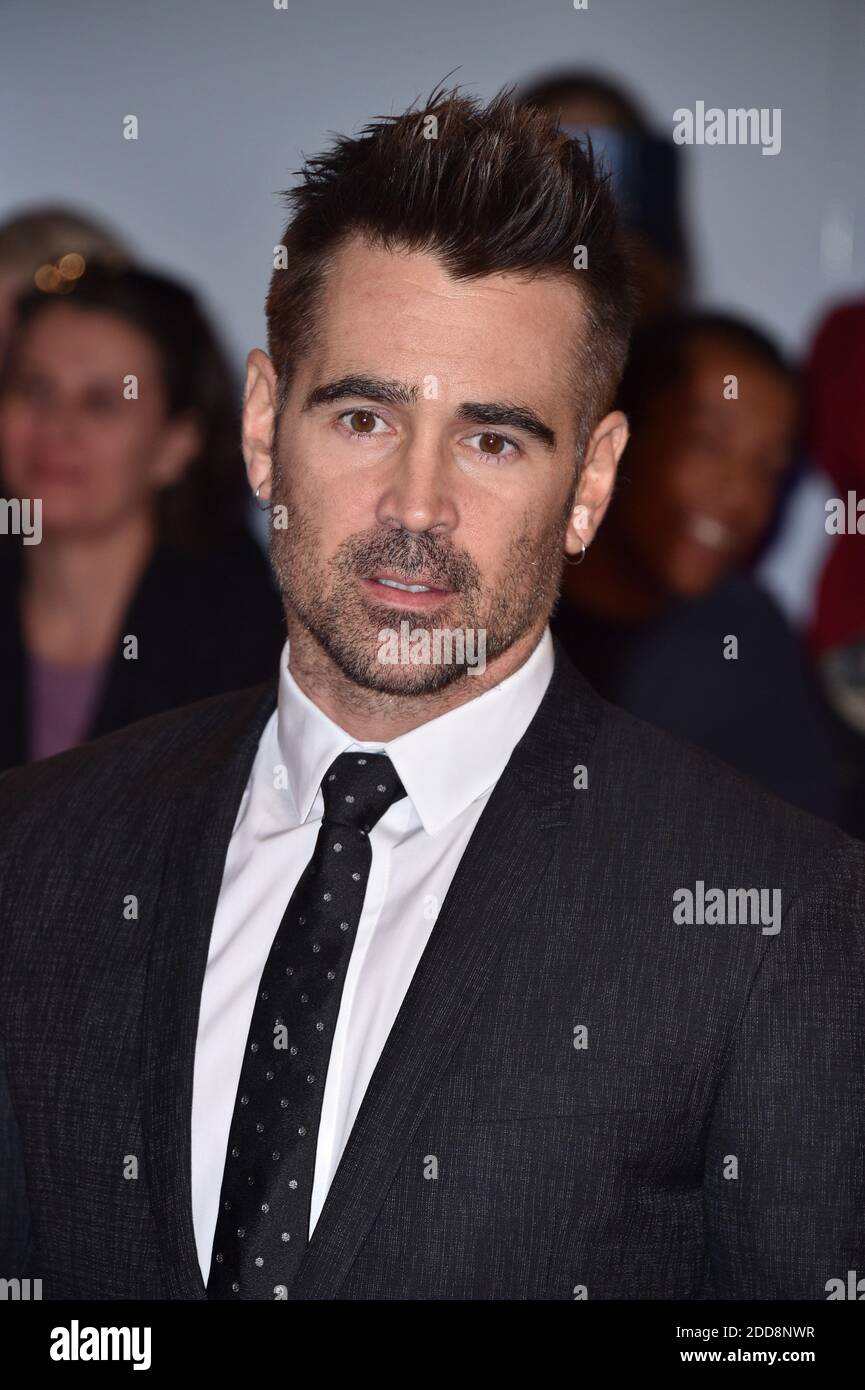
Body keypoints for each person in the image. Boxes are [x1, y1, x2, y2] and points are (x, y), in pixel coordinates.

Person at [0, 86, 863, 1302]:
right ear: (261, 428)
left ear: (593, 481)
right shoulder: (36, 853)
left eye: (493, 439)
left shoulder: (775, 919)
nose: (416, 507)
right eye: (362, 416)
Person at [551, 311, 841, 821]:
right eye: (705, 442)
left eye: (767, 467)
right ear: (610, 446)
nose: (741, 495)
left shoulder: (748, 637)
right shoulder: (500, 617)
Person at [0, 264, 286, 768]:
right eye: (35, 390)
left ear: (177, 444)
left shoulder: (247, 648)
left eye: (103, 403)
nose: (57, 429)